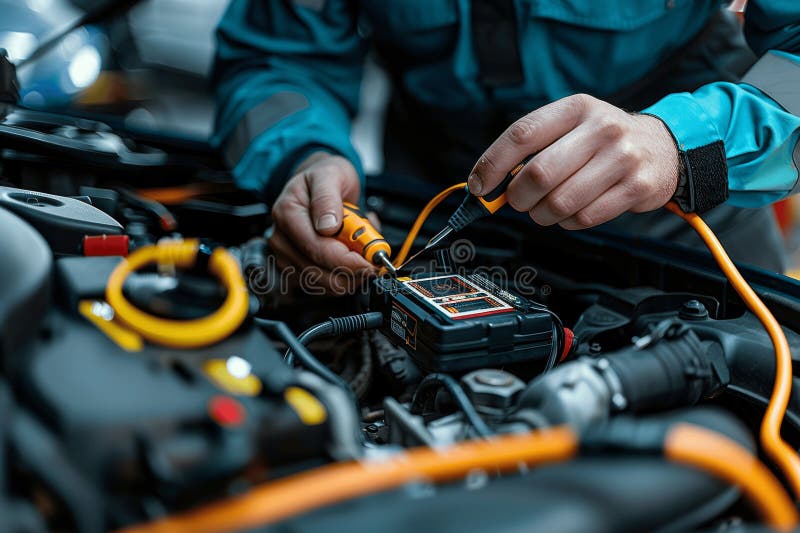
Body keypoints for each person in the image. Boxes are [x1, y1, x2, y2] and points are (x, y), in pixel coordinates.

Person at [212, 1, 800, 291]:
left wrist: (680, 142)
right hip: (438, 203)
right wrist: (304, 156)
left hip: (686, 202)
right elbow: (276, 55)